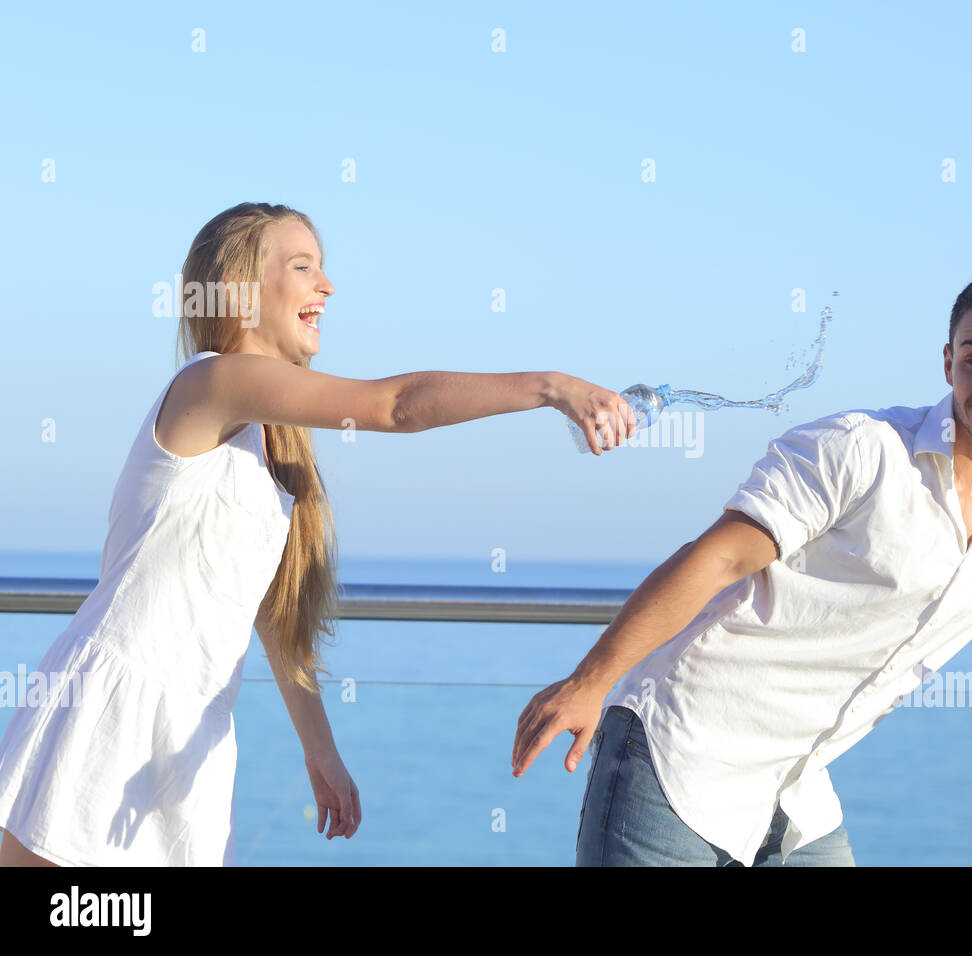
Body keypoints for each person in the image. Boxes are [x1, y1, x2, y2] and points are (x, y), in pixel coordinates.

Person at [511, 264, 972, 867]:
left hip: (793, 792)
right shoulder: (861, 449)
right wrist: (592, 680)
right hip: (677, 757)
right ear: (948, 363)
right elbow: (718, 557)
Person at [0, 201, 636, 867]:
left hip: (189, 735)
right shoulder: (209, 382)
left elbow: (269, 611)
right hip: (111, 715)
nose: (327, 287)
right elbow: (393, 406)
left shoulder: (268, 442)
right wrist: (550, 386)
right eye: (304, 267)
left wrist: (318, 746)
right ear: (242, 288)